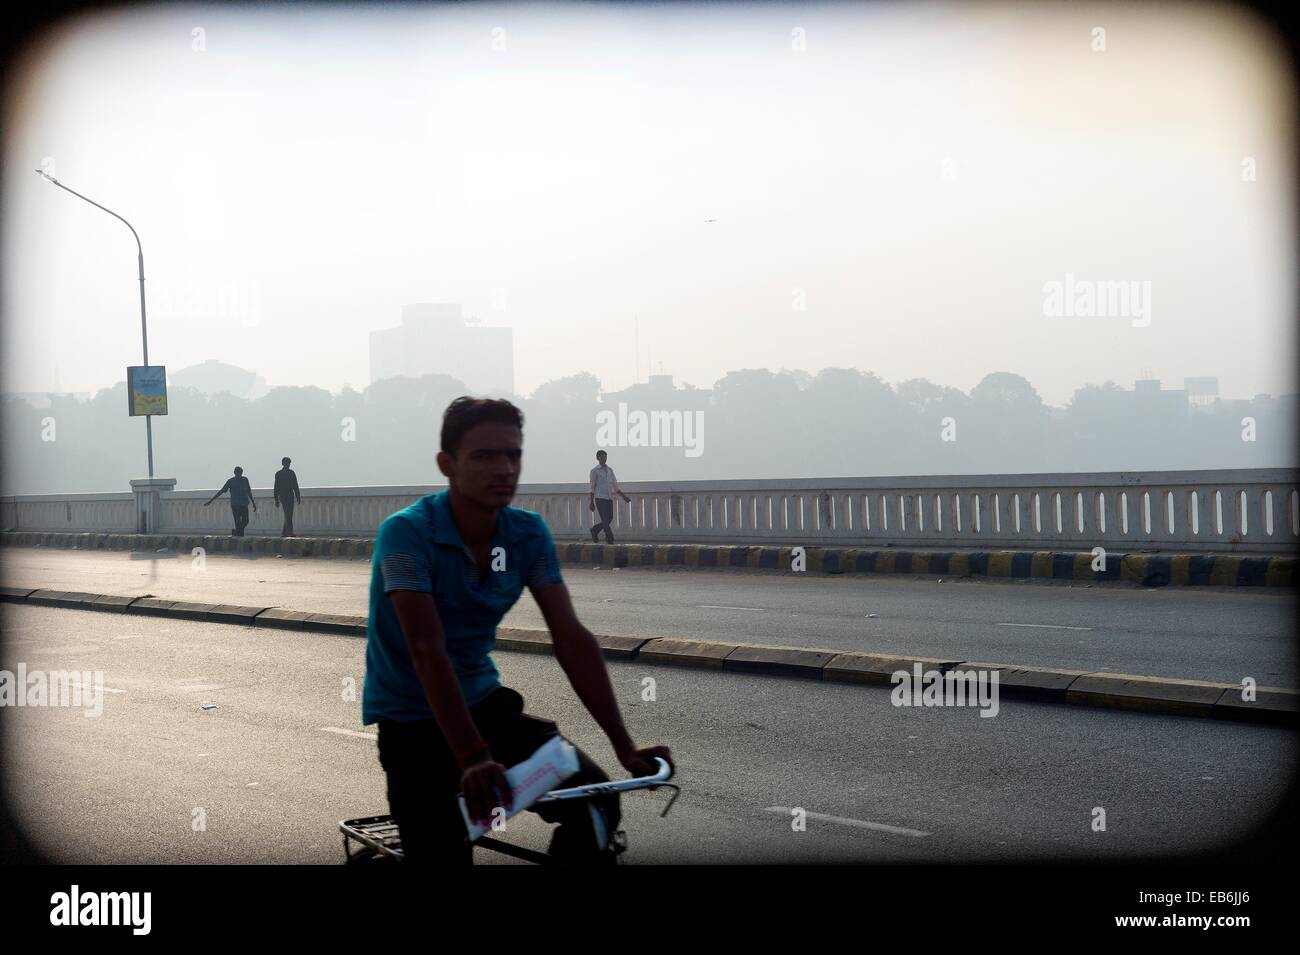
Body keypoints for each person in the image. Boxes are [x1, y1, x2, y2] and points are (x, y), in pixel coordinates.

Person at [363, 396, 672, 865]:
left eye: (513, 455)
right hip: (411, 722)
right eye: (484, 456)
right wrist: (471, 756)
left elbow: (570, 637)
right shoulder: (407, 534)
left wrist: (623, 746)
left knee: (596, 800)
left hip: (487, 708)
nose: (503, 468)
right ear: (447, 464)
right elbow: (427, 650)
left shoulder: (526, 534)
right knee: (441, 851)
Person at [588, 450, 631, 544]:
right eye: (602, 457)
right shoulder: (594, 471)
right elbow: (592, 487)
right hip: (600, 498)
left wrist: (624, 496)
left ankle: (595, 530)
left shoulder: (610, 470)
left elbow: (615, 486)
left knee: (609, 518)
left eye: (605, 457)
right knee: (605, 519)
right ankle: (610, 539)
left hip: (609, 498)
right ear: (598, 458)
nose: (604, 458)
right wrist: (591, 502)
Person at [203, 466, 256, 536]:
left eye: (240, 473)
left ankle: (236, 532)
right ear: (234, 473)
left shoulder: (245, 479)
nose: (239, 474)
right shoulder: (231, 481)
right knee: (238, 522)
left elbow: (249, 491)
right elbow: (222, 491)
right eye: (238, 473)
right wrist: (211, 501)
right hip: (235, 505)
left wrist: (253, 503)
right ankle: (239, 535)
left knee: (246, 521)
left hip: (244, 504)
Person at [273, 457, 302, 537]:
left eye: (289, 463)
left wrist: (298, 496)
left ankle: (284, 533)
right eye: (286, 463)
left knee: (289, 515)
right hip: (283, 496)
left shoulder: (291, 473)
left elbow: (295, 485)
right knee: (288, 514)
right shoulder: (278, 474)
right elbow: (276, 487)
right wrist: (276, 499)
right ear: (283, 464)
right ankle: (289, 533)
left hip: (290, 495)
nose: (288, 465)